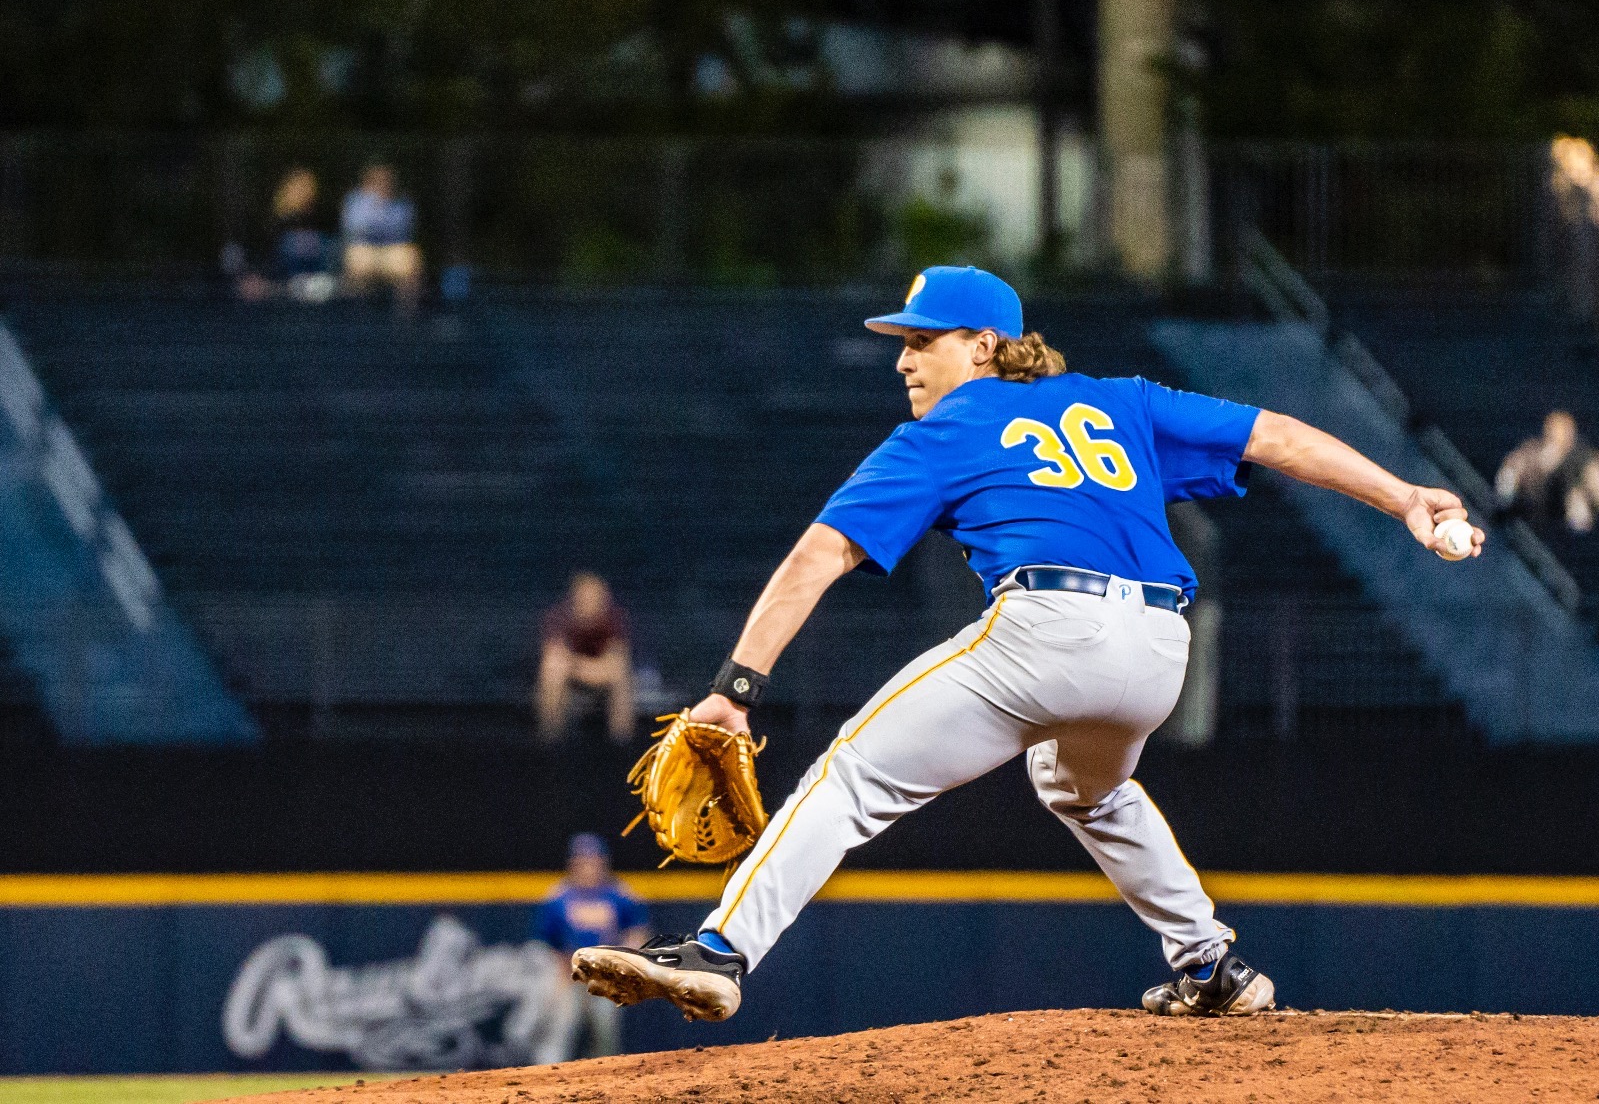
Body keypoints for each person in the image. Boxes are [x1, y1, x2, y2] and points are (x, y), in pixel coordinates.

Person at [570, 266, 1482, 1023]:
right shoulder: (1121, 399)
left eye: (922, 341)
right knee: (1084, 783)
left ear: (984, 346)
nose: (905, 362)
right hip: (1162, 649)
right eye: (903, 344)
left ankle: (721, 950)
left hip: (1050, 626)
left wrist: (735, 686)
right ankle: (1210, 964)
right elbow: (1276, 435)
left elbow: (819, 554)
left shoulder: (945, 429)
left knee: (851, 775)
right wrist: (1405, 496)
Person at [534, 834, 650, 1061]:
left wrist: (624, 960)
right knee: (561, 1029)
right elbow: (547, 941)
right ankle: (549, 1080)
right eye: (583, 861)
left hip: (605, 975)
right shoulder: (559, 895)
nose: (588, 866)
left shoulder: (619, 893)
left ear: (602, 862)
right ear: (573, 864)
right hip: (569, 974)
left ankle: (605, 1080)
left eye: (593, 860)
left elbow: (638, 930)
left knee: (604, 1030)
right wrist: (561, 970)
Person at [536, 572, 636, 744]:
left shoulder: (614, 619)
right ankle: (550, 741)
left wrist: (585, 667)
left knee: (621, 675)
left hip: (600, 676)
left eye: (596, 597)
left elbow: (617, 658)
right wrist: (580, 667)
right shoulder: (559, 617)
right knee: (553, 669)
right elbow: (554, 655)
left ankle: (622, 743)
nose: (590, 603)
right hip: (570, 677)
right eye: (585, 597)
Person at [1495, 410, 1599, 533]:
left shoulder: (1581, 458)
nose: (1559, 435)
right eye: (1555, 429)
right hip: (1525, 510)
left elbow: (1595, 475)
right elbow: (1513, 466)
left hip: (1560, 517)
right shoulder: (1532, 450)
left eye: (1565, 431)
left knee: (1578, 501)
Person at [236, 167, 334, 304]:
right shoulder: (271, 225)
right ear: (287, 190)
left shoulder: (319, 221)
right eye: (300, 187)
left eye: (309, 188)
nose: (306, 193)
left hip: (313, 289)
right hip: (279, 292)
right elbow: (258, 261)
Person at [340, 163, 423, 309]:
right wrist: (376, 209)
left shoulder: (401, 202)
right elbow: (354, 228)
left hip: (390, 250)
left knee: (410, 256)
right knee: (357, 257)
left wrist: (379, 221)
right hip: (365, 249)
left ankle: (406, 316)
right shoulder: (355, 200)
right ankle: (358, 313)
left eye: (386, 180)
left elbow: (403, 230)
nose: (383, 183)